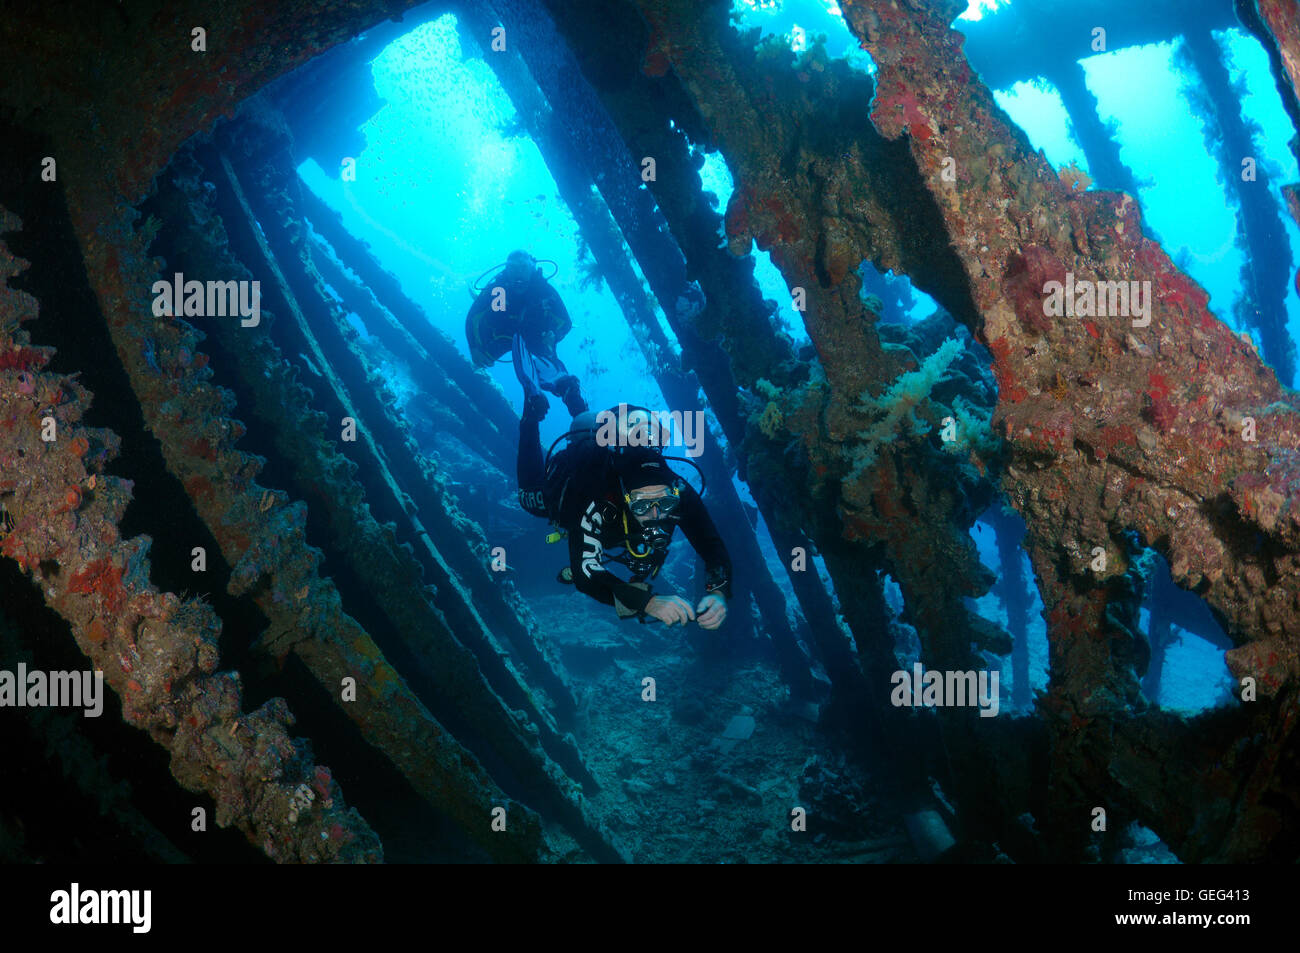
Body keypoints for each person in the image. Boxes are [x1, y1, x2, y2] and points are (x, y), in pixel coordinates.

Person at [517, 406, 730, 628]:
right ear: (626, 499)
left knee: (588, 422)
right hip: (573, 499)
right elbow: (584, 573)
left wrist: (718, 590)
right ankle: (530, 418)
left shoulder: (679, 489)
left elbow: (710, 544)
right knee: (526, 499)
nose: (655, 515)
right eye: (641, 505)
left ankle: (575, 401)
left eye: (665, 503)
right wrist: (646, 602)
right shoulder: (596, 496)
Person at [465, 249, 586, 418]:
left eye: (523, 267)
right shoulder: (497, 290)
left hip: (536, 336)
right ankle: (471, 398)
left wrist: (554, 335)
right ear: (506, 270)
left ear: (532, 268)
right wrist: (474, 349)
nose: (518, 274)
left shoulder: (544, 291)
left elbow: (565, 323)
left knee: (555, 372)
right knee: (478, 363)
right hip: (502, 335)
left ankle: (577, 405)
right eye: (513, 268)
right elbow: (473, 317)